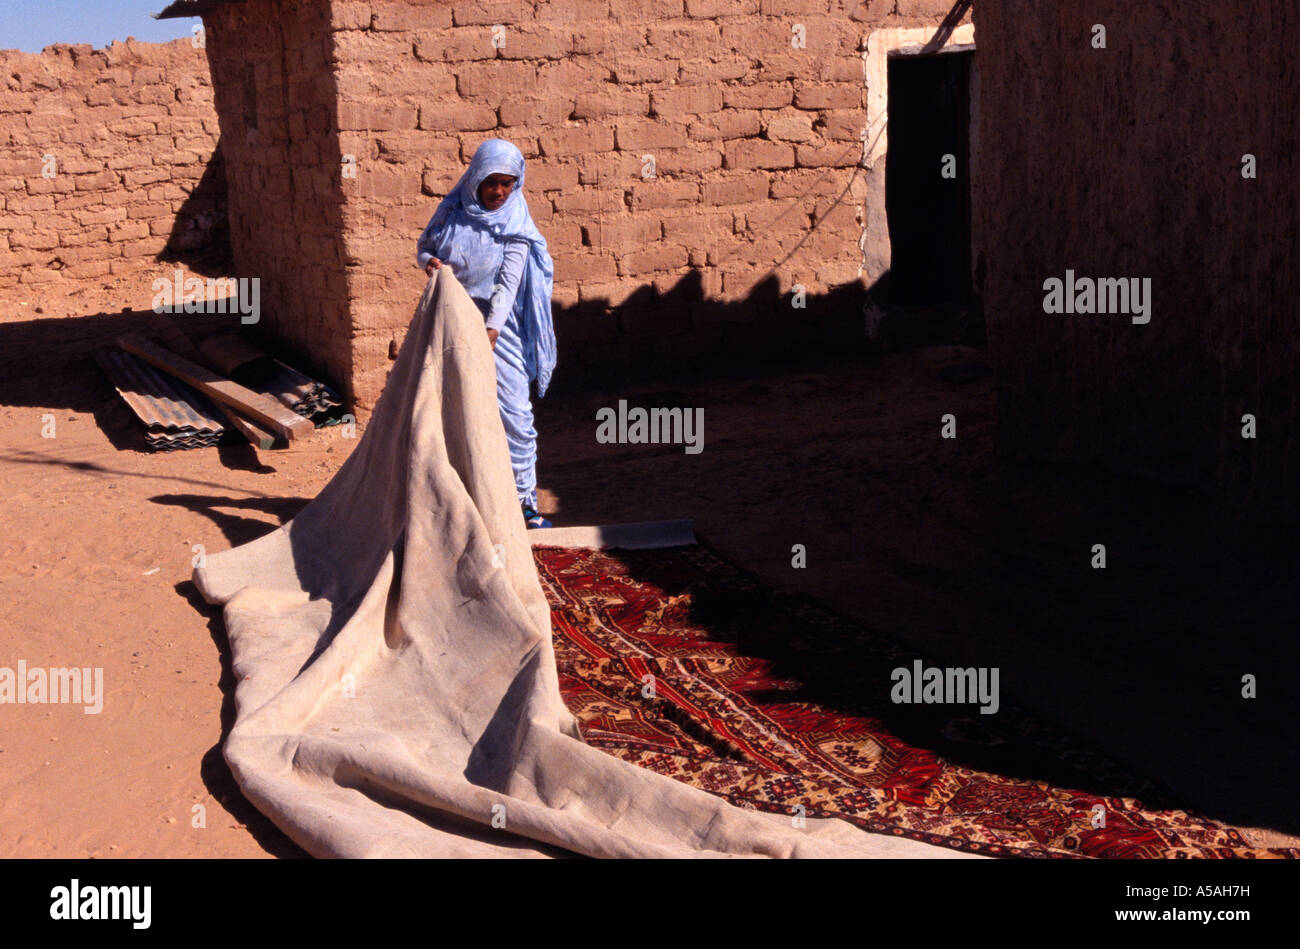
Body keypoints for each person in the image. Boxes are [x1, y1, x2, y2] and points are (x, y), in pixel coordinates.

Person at [416, 138, 556, 529]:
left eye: (507, 183)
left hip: (500, 326)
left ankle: (523, 499)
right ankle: (454, 501)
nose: (498, 191)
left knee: (514, 412)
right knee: (447, 408)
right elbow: (424, 247)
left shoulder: (515, 222)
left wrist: (491, 327)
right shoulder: (453, 210)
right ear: (476, 178)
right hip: (449, 319)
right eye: (491, 182)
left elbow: (509, 282)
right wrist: (430, 263)